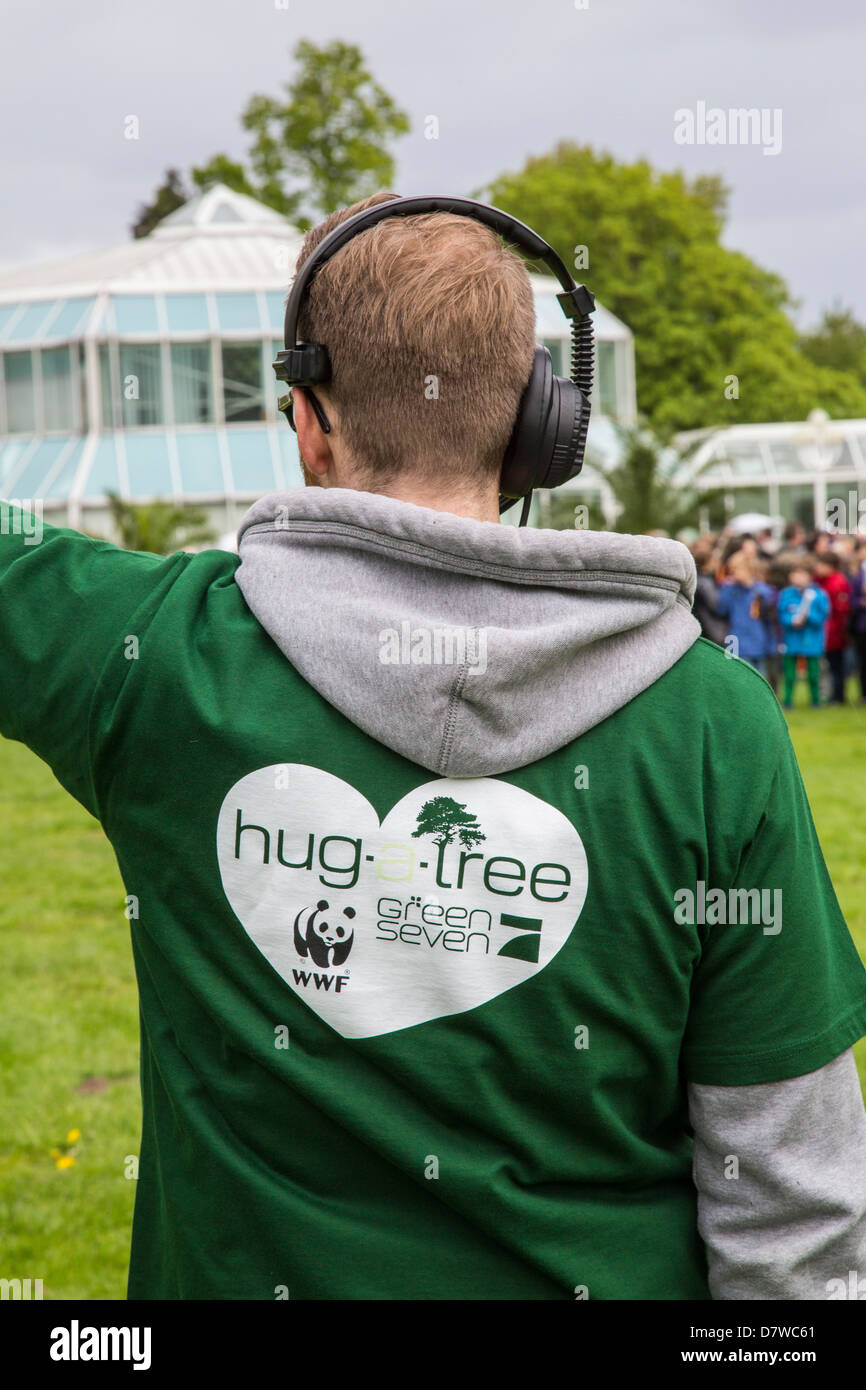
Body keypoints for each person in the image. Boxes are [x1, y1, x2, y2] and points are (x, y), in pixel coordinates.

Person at [2, 192, 866, 1303]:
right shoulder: (713, 724)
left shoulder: (152, 654)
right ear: (540, 428)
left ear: (307, 424)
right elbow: (791, 1205)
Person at [778, 560, 831, 708]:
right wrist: (791, 620)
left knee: (814, 673)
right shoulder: (786, 594)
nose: (798, 578)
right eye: (795, 574)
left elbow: (823, 616)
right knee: (789, 674)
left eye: (802, 574)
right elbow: (782, 614)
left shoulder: (819, 595)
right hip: (792, 638)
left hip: (812, 639)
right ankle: (788, 701)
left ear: (809, 576)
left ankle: (815, 701)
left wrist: (809, 615)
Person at [715, 547, 776, 675]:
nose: (732, 574)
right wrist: (727, 589)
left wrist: (771, 644)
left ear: (747, 569)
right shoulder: (731, 589)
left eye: (735, 570)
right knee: (737, 677)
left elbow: (769, 618)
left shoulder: (762, 591)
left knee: (759, 677)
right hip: (736, 641)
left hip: (758, 640)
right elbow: (722, 610)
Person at [813, 550, 852, 704]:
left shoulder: (837, 582)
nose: (817, 567)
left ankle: (838, 696)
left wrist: (835, 629)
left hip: (835, 632)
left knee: (836, 665)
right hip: (826, 630)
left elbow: (841, 610)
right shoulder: (821, 580)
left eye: (820, 564)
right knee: (829, 665)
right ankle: (831, 694)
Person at [689, 535, 727, 646]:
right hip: (711, 631)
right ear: (707, 563)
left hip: (705, 629)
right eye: (714, 560)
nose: (716, 563)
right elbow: (717, 605)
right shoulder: (705, 583)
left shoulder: (699, 579)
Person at [849, 541, 866, 704]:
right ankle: (864, 694)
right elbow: (851, 600)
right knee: (863, 663)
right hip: (862, 625)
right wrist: (861, 602)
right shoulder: (857, 577)